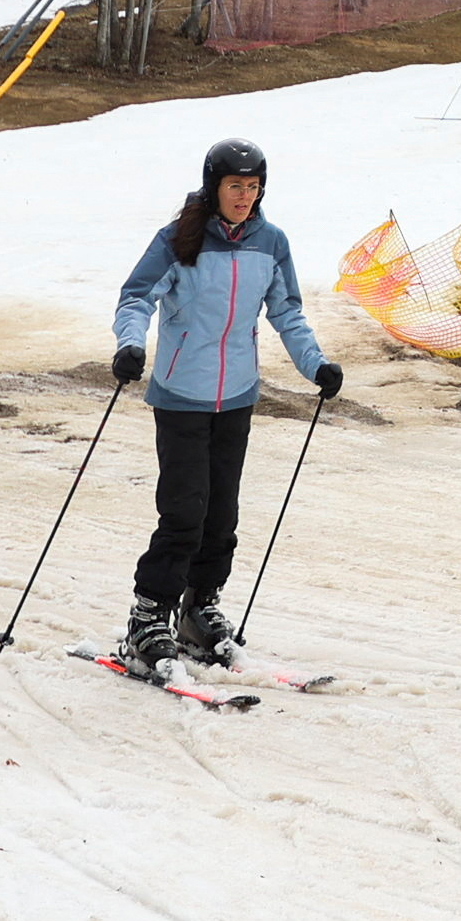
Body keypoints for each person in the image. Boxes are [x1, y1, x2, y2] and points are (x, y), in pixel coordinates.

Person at [110, 137, 341, 673]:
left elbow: (286, 311)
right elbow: (136, 298)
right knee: (184, 512)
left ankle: (198, 610)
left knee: (221, 517)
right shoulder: (179, 239)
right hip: (181, 396)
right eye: (235, 186)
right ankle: (148, 618)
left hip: (236, 398)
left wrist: (316, 365)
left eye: (253, 187)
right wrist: (130, 345)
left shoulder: (271, 242)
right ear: (214, 186)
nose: (244, 196)